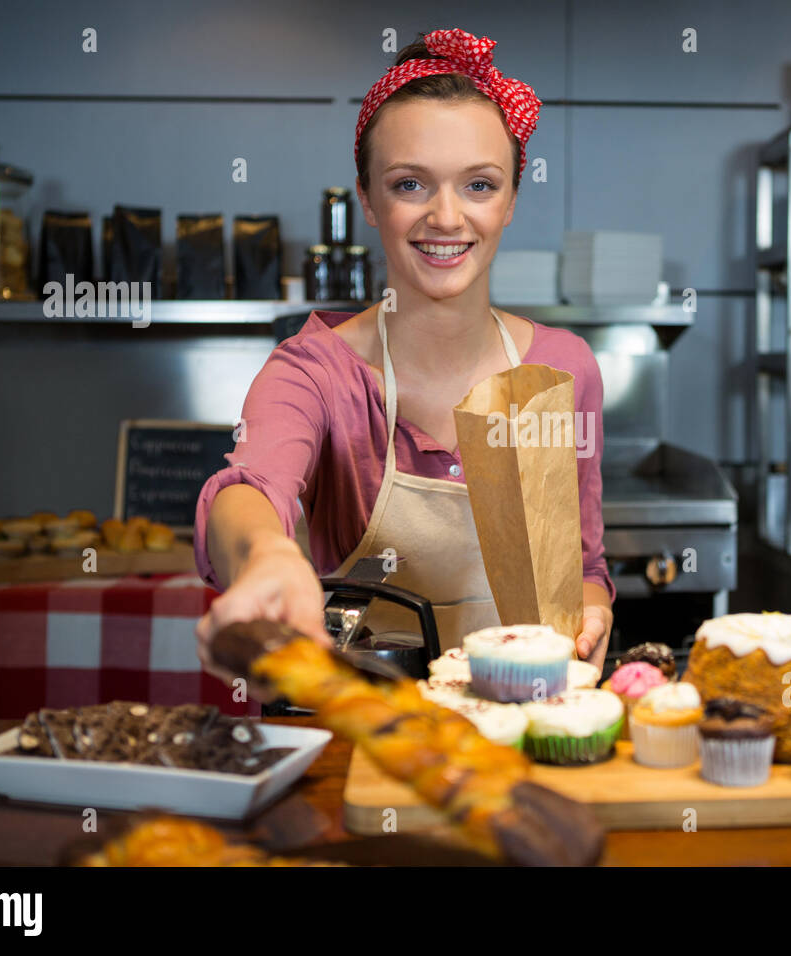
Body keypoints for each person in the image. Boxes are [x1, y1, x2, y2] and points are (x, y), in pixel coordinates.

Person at [194, 28, 615, 683]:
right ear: (366, 198)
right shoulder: (314, 371)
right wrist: (266, 558)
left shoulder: (565, 371)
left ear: (510, 202)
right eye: (410, 184)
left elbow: (585, 565)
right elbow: (250, 490)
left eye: (479, 185)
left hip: (521, 730)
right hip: (360, 738)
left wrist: (591, 609)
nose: (447, 217)